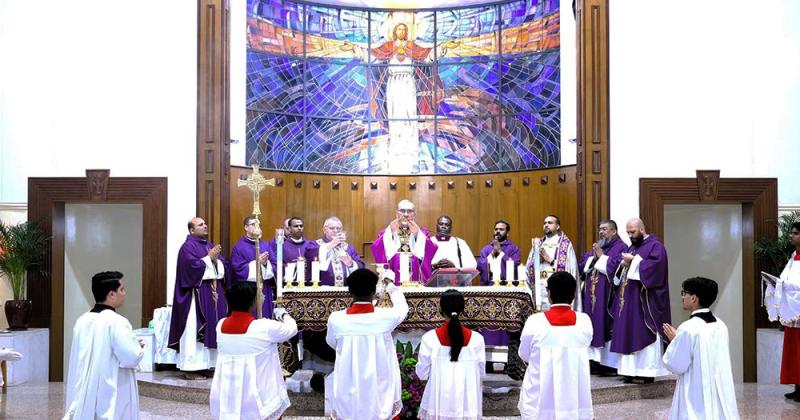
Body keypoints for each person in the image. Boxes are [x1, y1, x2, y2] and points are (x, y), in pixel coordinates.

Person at [326, 268, 408, 419]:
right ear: (374, 292)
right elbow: (403, 308)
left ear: (350, 292)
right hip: (378, 384)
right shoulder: (386, 317)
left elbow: (332, 343)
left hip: (348, 380)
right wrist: (390, 284)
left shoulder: (336, 319)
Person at [210, 282, 298, 420]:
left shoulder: (220, 326)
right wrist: (283, 314)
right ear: (252, 302)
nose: (261, 298)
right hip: (259, 396)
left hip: (229, 395)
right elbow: (291, 329)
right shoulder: (264, 327)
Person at [63, 271, 144, 420]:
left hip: (86, 387)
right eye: (122, 289)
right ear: (111, 294)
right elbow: (131, 357)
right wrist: (137, 346)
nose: (124, 294)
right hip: (110, 388)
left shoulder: (82, 320)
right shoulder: (116, 321)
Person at [517, 271, 594, 420]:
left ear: (549, 293)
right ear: (573, 294)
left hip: (540, 397)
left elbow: (524, 354)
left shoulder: (535, 321)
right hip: (574, 397)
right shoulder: (584, 322)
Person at [662, 277, 739, 419]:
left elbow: (676, 365)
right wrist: (679, 340)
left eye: (684, 293)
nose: (682, 297)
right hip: (719, 388)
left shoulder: (688, 328)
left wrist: (675, 341)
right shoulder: (721, 325)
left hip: (696, 391)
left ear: (694, 298)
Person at [610, 218, 671, 383]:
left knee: (643, 333)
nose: (630, 235)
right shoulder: (633, 247)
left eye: (633, 232)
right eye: (628, 232)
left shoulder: (656, 247)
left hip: (644, 304)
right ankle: (629, 371)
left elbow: (656, 270)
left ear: (642, 229)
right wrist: (623, 264)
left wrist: (634, 262)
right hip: (629, 302)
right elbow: (623, 270)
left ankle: (646, 372)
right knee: (628, 333)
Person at [168, 217, 228, 378]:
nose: (205, 225)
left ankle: (207, 365)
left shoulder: (209, 245)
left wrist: (214, 260)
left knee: (214, 328)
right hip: (196, 298)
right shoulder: (187, 248)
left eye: (205, 223)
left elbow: (223, 266)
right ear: (192, 230)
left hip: (213, 295)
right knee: (194, 327)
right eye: (200, 224)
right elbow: (189, 270)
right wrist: (209, 259)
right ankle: (190, 368)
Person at [416, 289, 485, 420]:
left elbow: (422, 374)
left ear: (441, 310)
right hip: (466, 403)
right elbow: (480, 373)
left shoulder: (429, 338)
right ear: (462, 310)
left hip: (439, 401)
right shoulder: (477, 339)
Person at [578, 219, 626, 372]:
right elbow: (583, 264)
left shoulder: (621, 247)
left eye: (605, 229)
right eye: (600, 229)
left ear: (614, 231)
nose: (601, 232)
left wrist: (601, 257)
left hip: (608, 296)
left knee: (605, 324)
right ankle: (594, 360)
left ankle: (608, 363)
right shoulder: (599, 246)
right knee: (592, 325)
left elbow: (617, 269)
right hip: (592, 296)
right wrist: (594, 257)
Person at [765, 221, 800, 400]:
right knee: (793, 351)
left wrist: (783, 285)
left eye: (795, 233)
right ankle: (798, 386)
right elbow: (786, 280)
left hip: (798, 309)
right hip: (792, 312)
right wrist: (776, 284)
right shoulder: (794, 256)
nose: (790, 236)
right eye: (791, 233)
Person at [371, 199, 438, 284]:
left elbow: (430, 251)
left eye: (409, 211)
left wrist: (417, 234)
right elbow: (377, 248)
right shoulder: (386, 232)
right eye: (402, 211)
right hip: (393, 279)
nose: (406, 214)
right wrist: (390, 231)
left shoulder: (422, 233)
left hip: (416, 279)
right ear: (397, 213)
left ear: (414, 215)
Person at [526, 215, 579, 311]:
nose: (546, 225)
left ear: (558, 226)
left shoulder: (565, 244)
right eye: (545, 223)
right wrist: (536, 262)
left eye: (550, 223)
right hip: (539, 289)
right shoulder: (538, 244)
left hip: (557, 290)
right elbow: (528, 268)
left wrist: (550, 260)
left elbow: (570, 270)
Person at [230, 215, 275, 318]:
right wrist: (257, 263)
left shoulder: (266, 245)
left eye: (259, 225)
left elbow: (274, 265)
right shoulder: (238, 247)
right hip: (249, 291)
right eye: (253, 225)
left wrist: (265, 264)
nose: (257, 227)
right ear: (246, 227)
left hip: (264, 288)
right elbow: (238, 270)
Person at [313, 216, 365, 286]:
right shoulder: (315, 245)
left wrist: (351, 264)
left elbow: (361, 266)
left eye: (338, 228)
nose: (336, 231)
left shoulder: (348, 248)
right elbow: (313, 259)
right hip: (324, 290)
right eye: (332, 228)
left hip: (346, 290)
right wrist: (332, 244)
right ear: (324, 230)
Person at [267, 216, 319, 285]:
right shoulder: (281, 247)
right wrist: (294, 266)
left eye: (301, 226)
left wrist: (307, 263)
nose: (299, 228)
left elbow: (317, 264)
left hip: (309, 284)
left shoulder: (310, 245)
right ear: (289, 229)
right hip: (289, 285)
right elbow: (277, 267)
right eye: (296, 226)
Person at [477, 220, 521, 285]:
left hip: (507, 286)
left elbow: (514, 266)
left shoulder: (514, 249)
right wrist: (493, 253)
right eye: (496, 229)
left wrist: (500, 252)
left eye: (501, 229)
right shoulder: (486, 249)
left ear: (507, 233)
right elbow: (480, 267)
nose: (498, 231)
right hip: (490, 286)